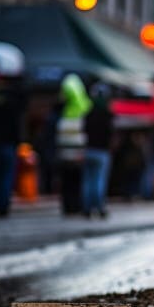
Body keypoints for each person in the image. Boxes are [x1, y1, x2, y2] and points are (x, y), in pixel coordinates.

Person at [0, 78, 25, 217]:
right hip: (8, 143)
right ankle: (3, 204)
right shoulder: (15, 99)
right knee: (6, 175)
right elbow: (17, 124)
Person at [56, 74, 91, 215]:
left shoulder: (74, 109)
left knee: (72, 180)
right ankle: (72, 206)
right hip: (72, 153)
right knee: (72, 180)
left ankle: (73, 206)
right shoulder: (84, 106)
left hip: (72, 153)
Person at [82, 83, 113, 218]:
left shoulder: (89, 113)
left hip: (89, 149)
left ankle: (87, 208)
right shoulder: (107, 114)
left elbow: (84, 131)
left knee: (88, 180)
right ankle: (99, 207)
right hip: (102, 151)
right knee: (99, 180)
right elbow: (111, 133)